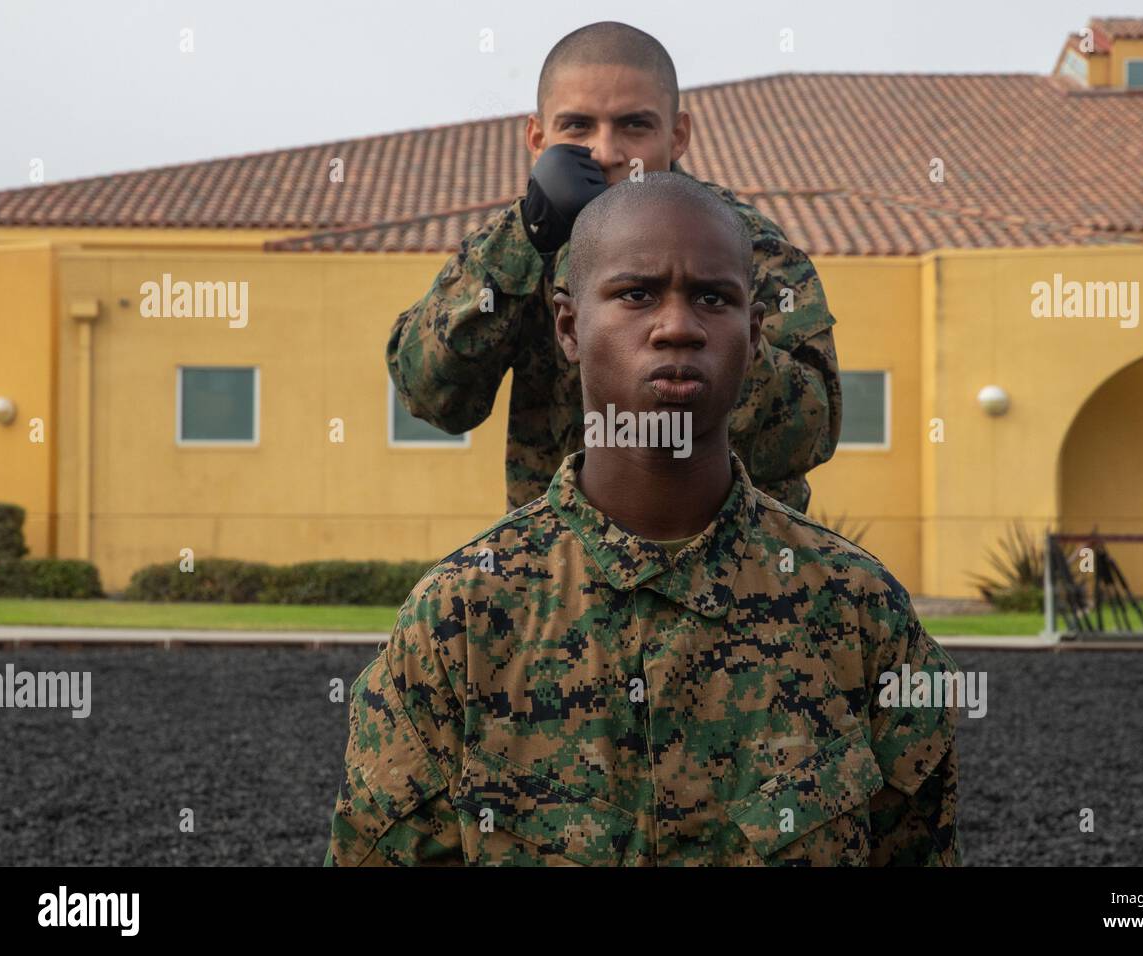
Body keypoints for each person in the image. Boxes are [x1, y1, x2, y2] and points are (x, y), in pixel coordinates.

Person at [327, 173, 962, 866]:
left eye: (712, 299)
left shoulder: (859, 615)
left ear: (753, 337)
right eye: (636, 294)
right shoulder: (460, 623)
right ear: (569, 327)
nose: (678, 326)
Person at [387, 20, 841, 514]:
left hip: (733, 572)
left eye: (634, 125)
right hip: (561, 570)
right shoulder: (517, 249)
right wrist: (527, 237)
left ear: (678, 135)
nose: (606, 153)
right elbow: (431, 397)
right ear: (538, 139)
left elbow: (810, 434)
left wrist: (705, 335)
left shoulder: (747, 248)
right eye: (577, 126)